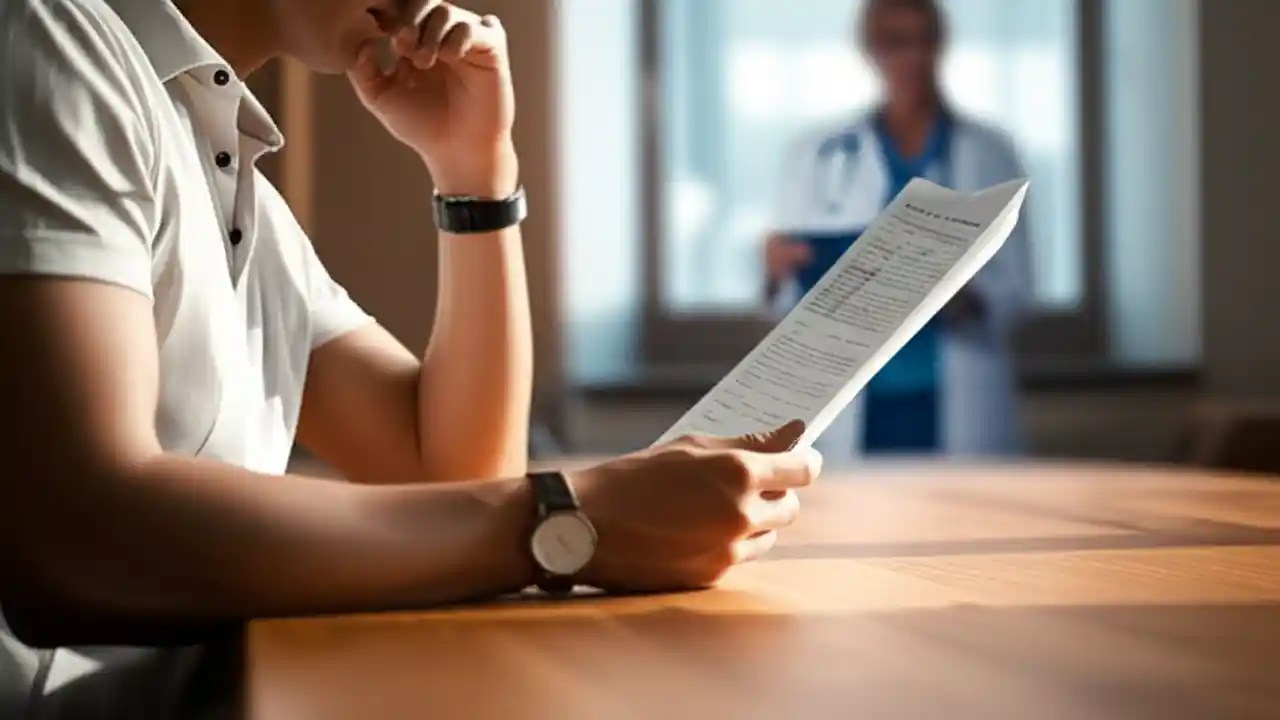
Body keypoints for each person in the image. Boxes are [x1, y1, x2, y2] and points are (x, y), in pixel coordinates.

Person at [0, 0, 821, 716]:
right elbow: (76, 535)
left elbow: (455, 472)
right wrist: (574, 516)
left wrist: (475, 171)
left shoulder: (220, 168)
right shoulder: (52, 42)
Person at [764, 0, 1032, 463]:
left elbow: (1019, 287)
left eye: (924, 39)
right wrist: (776, 270)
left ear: (942, 45)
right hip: (857, 401)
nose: (912, 56)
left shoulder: (990, 151)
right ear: (869, 50)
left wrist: (962, 296)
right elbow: (789, 305)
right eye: (894, 42)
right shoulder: (818, 154)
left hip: (954, 393)